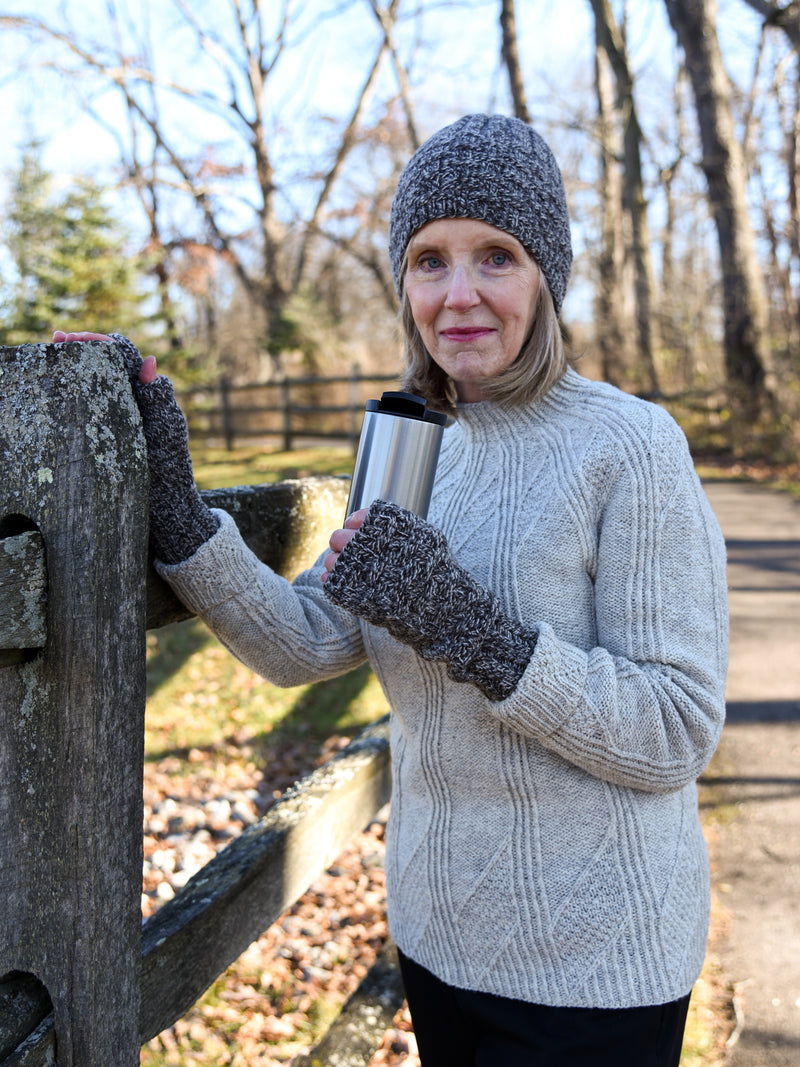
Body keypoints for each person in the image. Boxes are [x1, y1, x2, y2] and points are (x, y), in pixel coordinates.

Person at [55, 113, 729, 1066]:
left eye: (495, 257)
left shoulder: (630, 447)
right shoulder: (407, 446)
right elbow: (308, 640)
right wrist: (174, 503)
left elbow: (676, 727)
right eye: (428, 260)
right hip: (440, 935)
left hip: (597, 959)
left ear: (548, 273)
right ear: (402, 281)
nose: (458, 295)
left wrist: (474, 632)